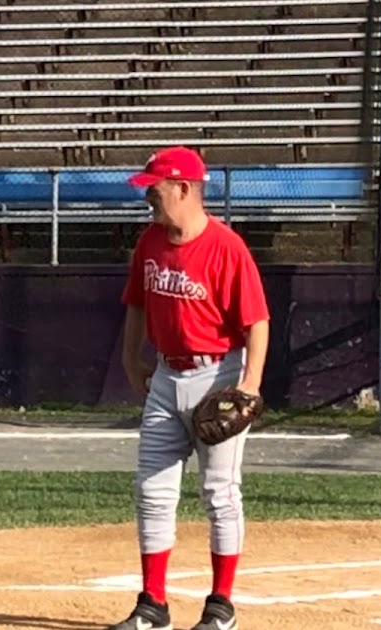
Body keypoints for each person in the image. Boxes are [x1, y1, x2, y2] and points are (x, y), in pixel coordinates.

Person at [107, 146, 270, 630]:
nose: (148, 198)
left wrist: (250, 385)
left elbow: (256, 321)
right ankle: (152, 605)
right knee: (152, 492)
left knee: (220, 492)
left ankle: (221, 605)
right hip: (165, 375)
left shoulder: (226, 246)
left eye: (154, 189)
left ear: (182, 188)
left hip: (217, 375)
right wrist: (130, 357)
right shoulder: (150, 242)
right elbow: (136, 303)